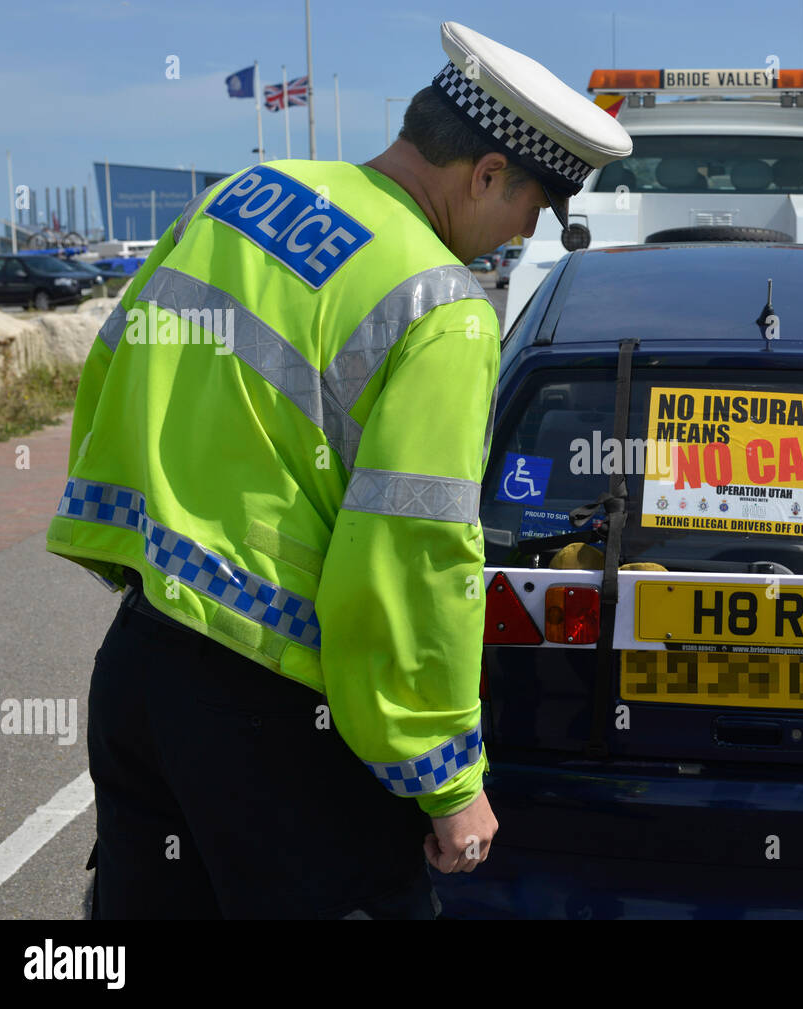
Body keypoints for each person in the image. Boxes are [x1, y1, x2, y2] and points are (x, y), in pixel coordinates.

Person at [46, 21, 631, 918]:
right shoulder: (444, 308)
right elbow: (412, 561)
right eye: (533, 206)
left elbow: (118, 369)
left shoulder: (243, 197)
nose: (523, 232)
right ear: (486, 174)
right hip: (281, 721)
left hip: (141, 664)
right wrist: (445, 778)